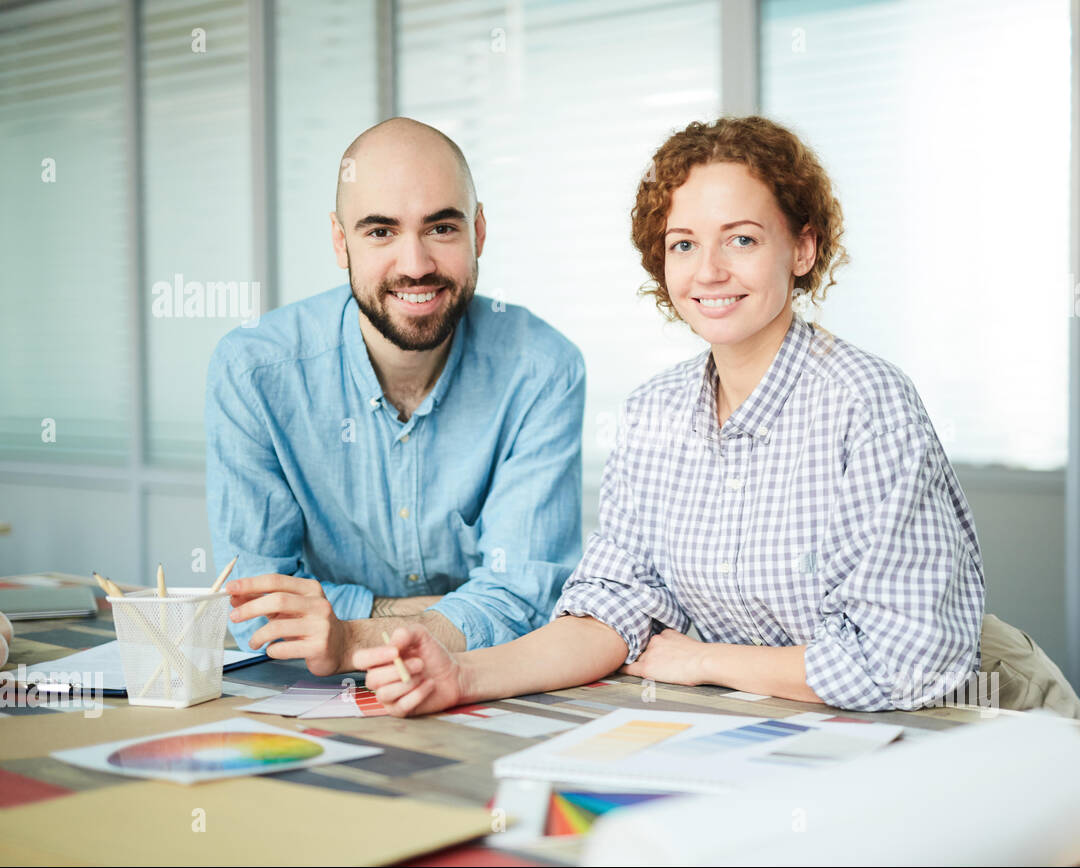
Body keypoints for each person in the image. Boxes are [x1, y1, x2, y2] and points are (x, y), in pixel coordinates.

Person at [358, 115, 984, 714]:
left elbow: (901, 659)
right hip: (753, 728)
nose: (709, 271)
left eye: (742, 239)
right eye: (684, 244)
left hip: (937, 714)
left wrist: (706, 661)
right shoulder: (654, 411)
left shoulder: (867, 404)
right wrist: (462, 674)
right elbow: (610, 610)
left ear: (802, 248)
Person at [206, 117, 585, 675]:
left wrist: (349, 632)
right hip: (311, 699)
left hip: (486, 688)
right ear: (341, 241)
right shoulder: (254, 371)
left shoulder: (543, 369)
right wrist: (438, 613)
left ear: (478, 232)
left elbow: (527, 604)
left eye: (442, 229)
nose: (415, 266)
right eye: (380, 231)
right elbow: (254, 612)